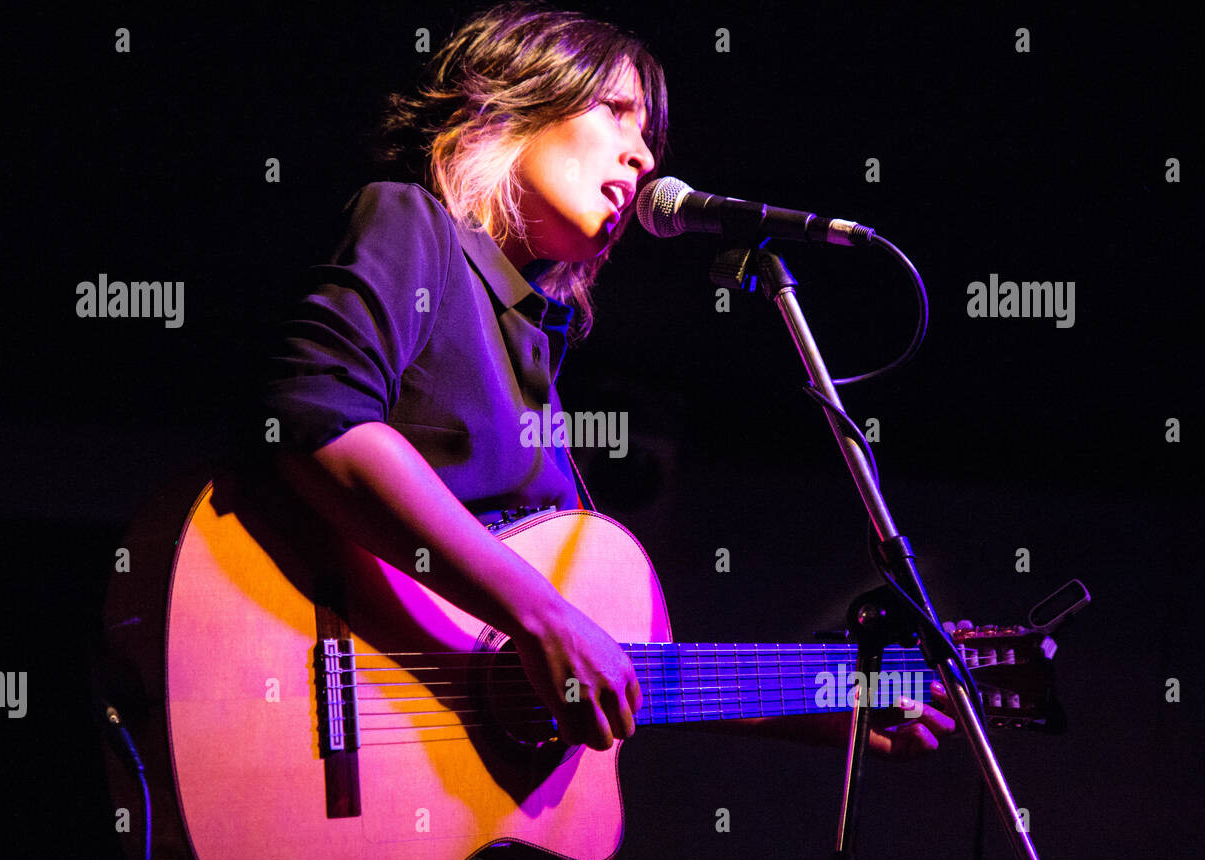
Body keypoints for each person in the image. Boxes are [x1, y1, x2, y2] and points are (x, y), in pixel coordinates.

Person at [260, 0, 953, 797]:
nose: (642, 157)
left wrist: (830, 704)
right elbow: (312, 416)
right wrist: (542, 614)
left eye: (650, 138)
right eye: (617, 111)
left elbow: (592, 669)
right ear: (512, 100)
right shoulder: (413, 223)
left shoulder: (531, 339)